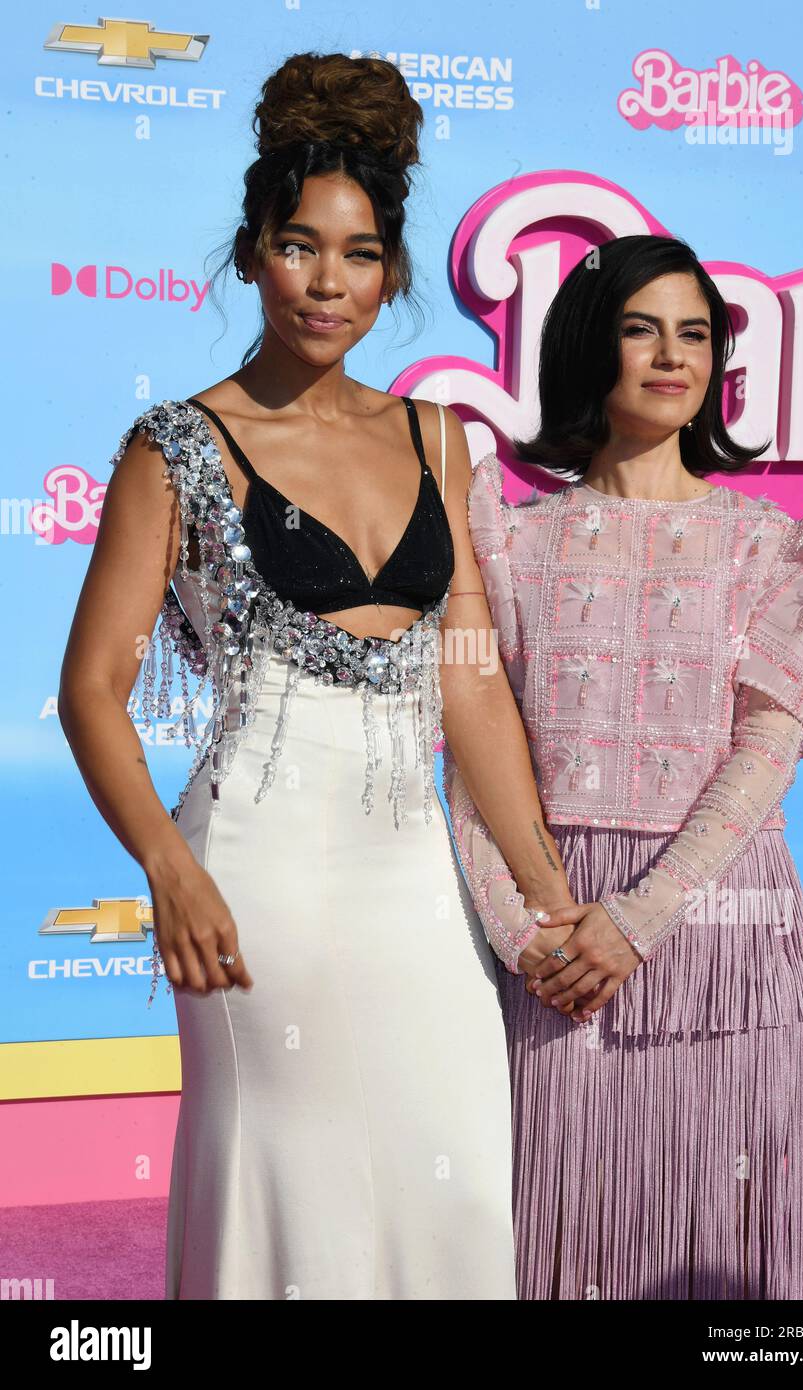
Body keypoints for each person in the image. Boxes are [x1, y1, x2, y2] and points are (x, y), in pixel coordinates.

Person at [57, 51, 589, 1301]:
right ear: (251, 252)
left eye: (355, 256)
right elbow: (91, 691)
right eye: (298, 246)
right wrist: (170, 871)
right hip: (254, 868)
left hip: (415, 876)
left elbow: (468, 685)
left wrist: (544, 889)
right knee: (288, 1185)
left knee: (450, 1172)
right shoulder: (171, 446)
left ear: (390, 275)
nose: (325, 282)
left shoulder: (433, 437)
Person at [443, 234, 803, 1299]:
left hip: (717, 937)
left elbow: (765, 750)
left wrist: (638, 917)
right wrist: (522, 934)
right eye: (640, 328)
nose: (670, 356)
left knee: (721, 1264)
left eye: (693, 333)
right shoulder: (505, 537)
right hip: (552, 945)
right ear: (589, 344)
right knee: (549, 1242)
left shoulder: (774, 544)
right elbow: (467, 746)